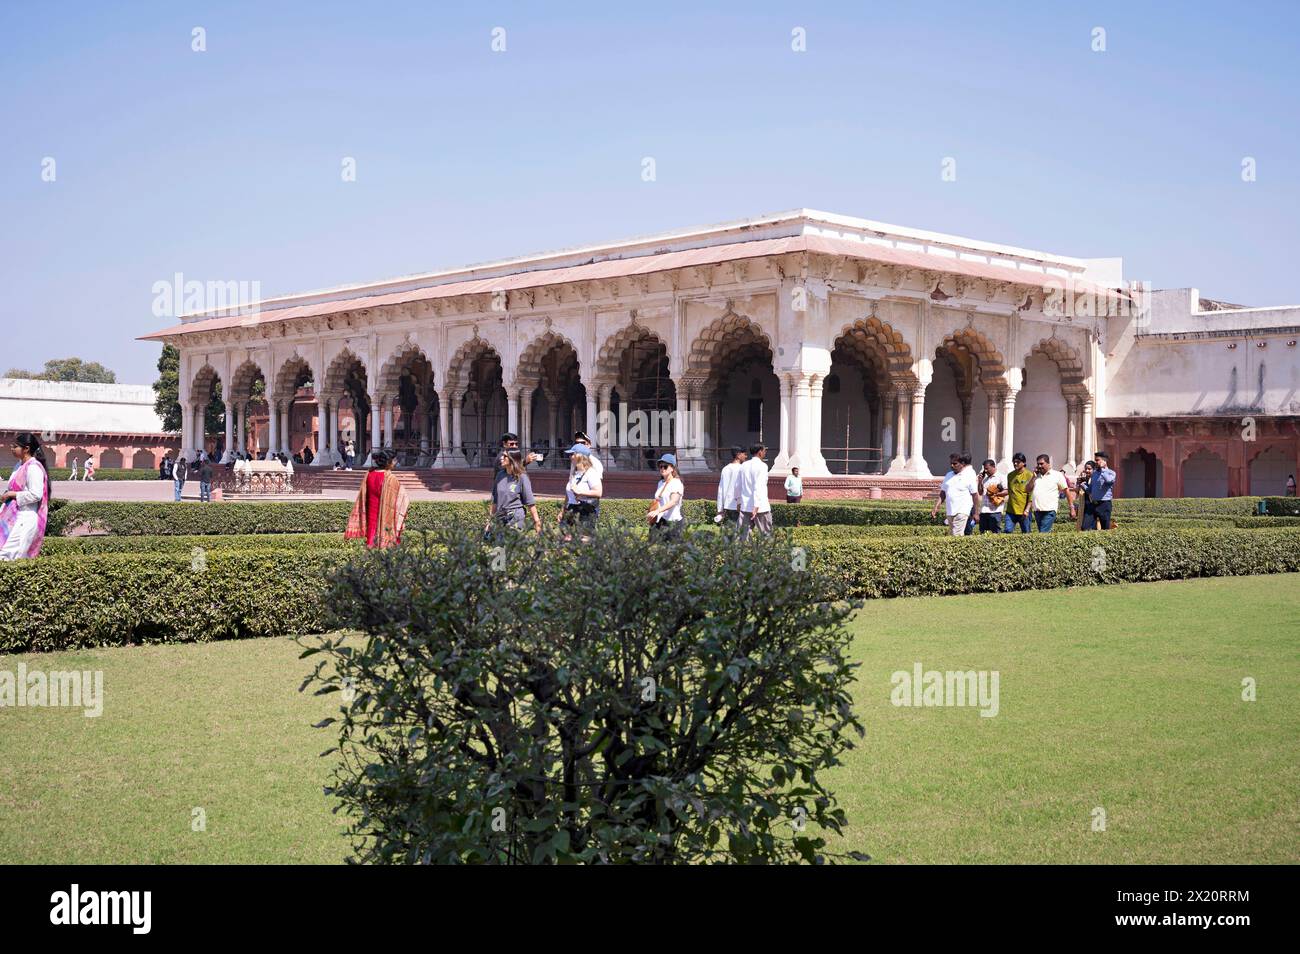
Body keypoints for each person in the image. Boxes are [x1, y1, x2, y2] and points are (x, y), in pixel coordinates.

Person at [0, 432, 51, 560]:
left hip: (25, 517)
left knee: (8, 555)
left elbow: (36, 494)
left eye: (15, 446)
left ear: (26, 449)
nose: (12, 449)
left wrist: (12, 494)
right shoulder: (19, 465)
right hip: (12, 515)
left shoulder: (34, 468)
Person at [345, 450, 411, 548]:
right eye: (394, 461)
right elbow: (403, 499)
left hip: (371, 513)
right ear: (388, 462)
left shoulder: (369, 474)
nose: (395, 463)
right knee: (385, 542)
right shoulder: (391, 478)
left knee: (371, 538)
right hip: (385, 514)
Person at [487, 449, 541, 533]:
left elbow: (530, 502)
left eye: (505, 456)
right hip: (500, 517)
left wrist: (537, 522)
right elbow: (494, 501)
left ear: (512, 460)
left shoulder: (522, 477)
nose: (501, 458)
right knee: (498, 544)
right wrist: (489, 522)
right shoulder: (500, 475)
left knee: (509, 543)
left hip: (515, 517)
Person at [560, 444, 603, 540]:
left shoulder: (591, 473)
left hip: (585, 510)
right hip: (572, 508)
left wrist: (581, 492)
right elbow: (568, 494)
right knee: (566, 537)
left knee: (584, 539)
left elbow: (598, 492)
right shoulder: (574, 473)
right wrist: (563, 510)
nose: (570, 457)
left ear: (580, 456)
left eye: (572, 454)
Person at [1026, 454, 1074, 532]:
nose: (1039, 466)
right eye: (1038, 464)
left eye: (1042, 464)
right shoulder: (1035, 476)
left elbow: (1066, 491)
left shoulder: (1057, 475)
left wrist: (1072, 508)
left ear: (1048, 464)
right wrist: (1033, 477)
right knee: (1043, 533)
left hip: (1050, 511)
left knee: (1043, 532)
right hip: (1038, 511)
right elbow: (1027, 489)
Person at [934, 452, 978, 537]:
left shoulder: (968, 475)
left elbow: (975, 495)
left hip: (962, 511)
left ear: (962, 464)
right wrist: (936, 506)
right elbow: (943, 492)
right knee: (953, 534)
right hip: (950, 511)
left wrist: (976, 512)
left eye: (955, 463)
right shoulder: (948, 475)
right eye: (951, 463)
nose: (952, 466)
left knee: (956, 535)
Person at [647, 453, 685, 543]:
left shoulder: (676, 483)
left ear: (672, 468)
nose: (662, 469)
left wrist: (658, 511)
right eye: (660, 467)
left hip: (673, 523)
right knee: (652, 547)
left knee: (673, 551)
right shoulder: (660, 483)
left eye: (665, 466)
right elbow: (659, 500)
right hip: (660, 521)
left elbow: (673, 502)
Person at [738, 443, 773, 539]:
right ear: (760, 452)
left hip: (745, 506)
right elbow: (759, 486)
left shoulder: (744, 465)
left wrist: (739, 501)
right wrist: (756, 505)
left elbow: (739, 485)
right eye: (764, 451)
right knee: (767, 536)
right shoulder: (762, 466)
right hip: (760, 507)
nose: (765, 453)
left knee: (743, 537)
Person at [1082, 451, 1116, 530]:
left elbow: (1109, 481)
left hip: (1104, 504)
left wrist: (1103, 470)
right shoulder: (1094, 473)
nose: (1096, 462)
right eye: (1095, 460)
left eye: (1097, 460)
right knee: (1085, 527)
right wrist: (1083, 485)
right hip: (1093, 504)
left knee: (1105, 529)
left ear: (1104, 461)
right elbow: (1090, 490)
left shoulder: (1111, 473)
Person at [715, 445, 746, 525]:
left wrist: (720, 509)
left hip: (728, 505)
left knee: (730, 531)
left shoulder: (725, 469)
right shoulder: (742, 469)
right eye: (744, 454)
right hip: (740, 505)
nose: (746, 456)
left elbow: (721, 490)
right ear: (738, 455)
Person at [1003, 452, 1032, 533]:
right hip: (1011, 510)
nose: (1015, 464)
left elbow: (1031, 494)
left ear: (1024, 463)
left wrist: (1027, 510)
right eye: (1014, 462)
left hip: (1024, 511)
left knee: (1026, 533)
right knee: (1007, 531)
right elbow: (1009, 491)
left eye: (1018, 462)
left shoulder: (1029, 475)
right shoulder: (1010, 475)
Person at [977, 459, 1006, 533]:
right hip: (984, 510)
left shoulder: (1001, 477)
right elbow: (980, 492)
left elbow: (1007, 491)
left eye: (987, 468)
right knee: (982, 532)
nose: (985, 471)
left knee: (995, 532)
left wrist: (995, 494)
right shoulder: (985, 479)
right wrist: (980, 481)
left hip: (995, 510)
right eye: (984, 469)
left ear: (993, 467)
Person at [1074, 460, 1095, 530]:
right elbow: (1077, 491)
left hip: (1092, 507)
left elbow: (1091, 492)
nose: (1087, 470)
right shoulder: (1084, 479)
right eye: (1086, 469)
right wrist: (1078, 484)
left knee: (1085, 527)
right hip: (1084, 506)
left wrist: (1084, 485)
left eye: (1089, 469)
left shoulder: (1095, 480)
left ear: (1094, 470)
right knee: (1082, 527)